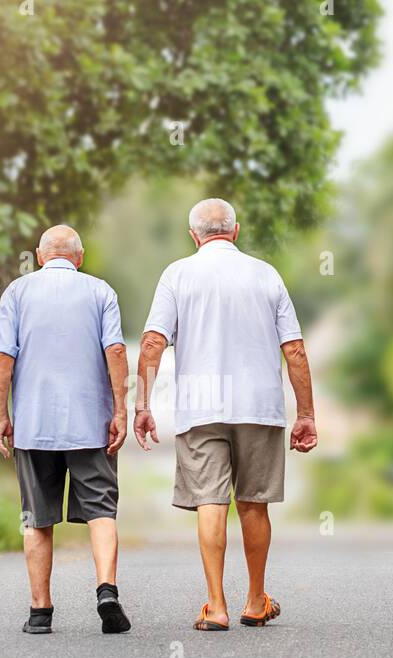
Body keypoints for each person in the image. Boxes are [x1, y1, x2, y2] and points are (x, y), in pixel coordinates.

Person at [134, 199, 318, 631]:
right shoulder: (266, 274)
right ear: (235, 232)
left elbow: (152, 345)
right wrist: (306, 413)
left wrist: (142, 404)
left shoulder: (177, 274)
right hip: (259, 405)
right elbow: (294, 349)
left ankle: (215, 606)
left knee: (209, 502)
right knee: (254, 504)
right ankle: (255, 601)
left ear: (193, 236)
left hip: (201, 407)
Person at [0, 225, 131, 635]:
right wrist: (120, 410)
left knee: (36, 518)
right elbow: (116, 350)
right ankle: (106, 590)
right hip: (92, 425)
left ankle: (40, 612)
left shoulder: (17, 292)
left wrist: (2, 414)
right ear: (79, 256)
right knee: (102, 511)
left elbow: (3, 356)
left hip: (34, 427)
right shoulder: (101, 291)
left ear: (38, 255)